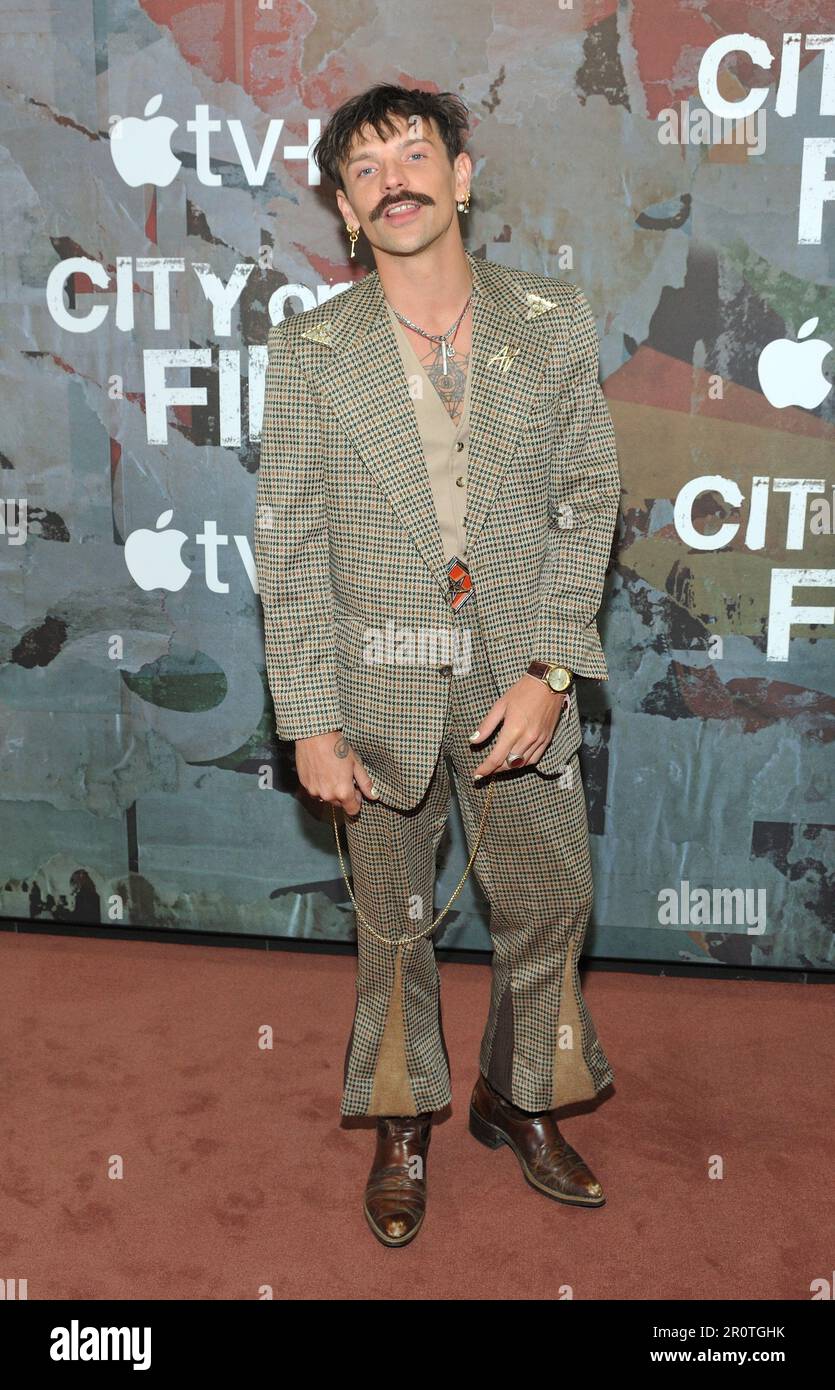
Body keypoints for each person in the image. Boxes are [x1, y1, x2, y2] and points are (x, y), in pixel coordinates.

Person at [254, 83, 621, 1248]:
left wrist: (552, 669)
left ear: (462, 176)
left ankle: (520, 1100)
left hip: (522, 686)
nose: (396, 178)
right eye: (367, 169)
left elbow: (586, 502)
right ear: (348, 208)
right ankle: (403, 1121)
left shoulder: (551, 320)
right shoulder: (310, 349)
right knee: (397, 925)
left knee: (550, 906)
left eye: (417, 154)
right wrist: (308, 717)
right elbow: (292, 542)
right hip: (373, 694)